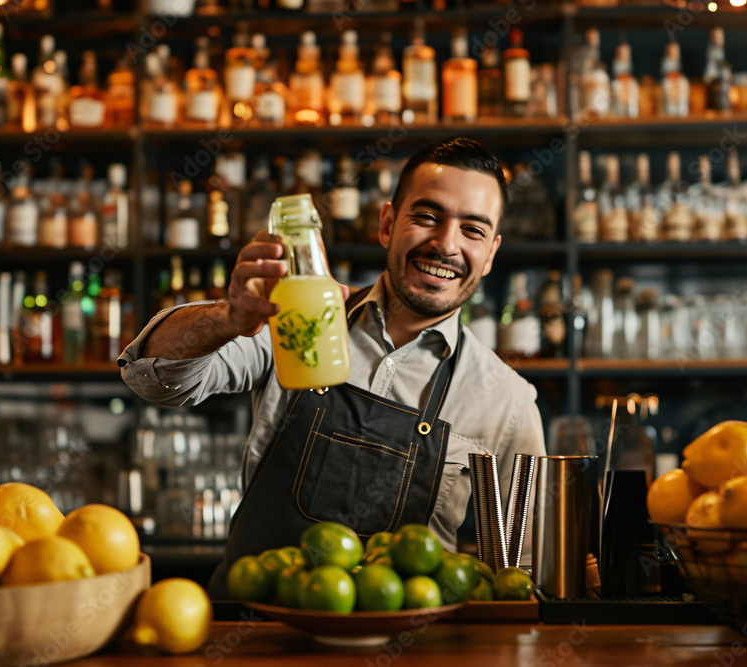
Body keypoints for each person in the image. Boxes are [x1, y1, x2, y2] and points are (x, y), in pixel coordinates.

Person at [119, 138, 546, 598]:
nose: (445, 244)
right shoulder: (293, 317)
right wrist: (229, 318)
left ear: (490, 254)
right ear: (387, 224)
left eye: (473, 230)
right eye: (426, 217)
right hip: (258, 627)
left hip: (405, 636)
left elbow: (522, 575)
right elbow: (153, 378)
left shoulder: (507, 401)